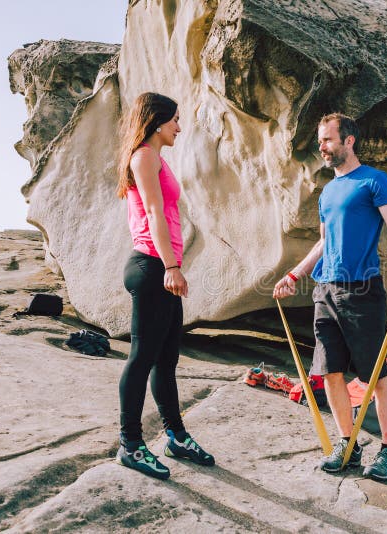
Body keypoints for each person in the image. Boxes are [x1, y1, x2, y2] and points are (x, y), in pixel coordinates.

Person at [273, 112, 387, 480]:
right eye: (320, 141)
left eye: (327, 140)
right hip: (326, 291)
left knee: (375, 375)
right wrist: (294, 274)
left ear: (348, 141)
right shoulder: (328, 191)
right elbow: (323, 242)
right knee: (331, 371)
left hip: (362, 290)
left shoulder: (374, 181)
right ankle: (347, 445)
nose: (321, 147)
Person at [115, 92, 214, 480]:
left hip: (162, 267)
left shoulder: (156, 157)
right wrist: (171, 266)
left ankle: (175, 435)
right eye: (174, 119)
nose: (179, 126)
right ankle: (131, 444)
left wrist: (172, 265)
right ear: (156, 121)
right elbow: (154, 212)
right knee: (142, 358)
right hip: (152, 267)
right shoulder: (144, 156)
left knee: (166, 359)